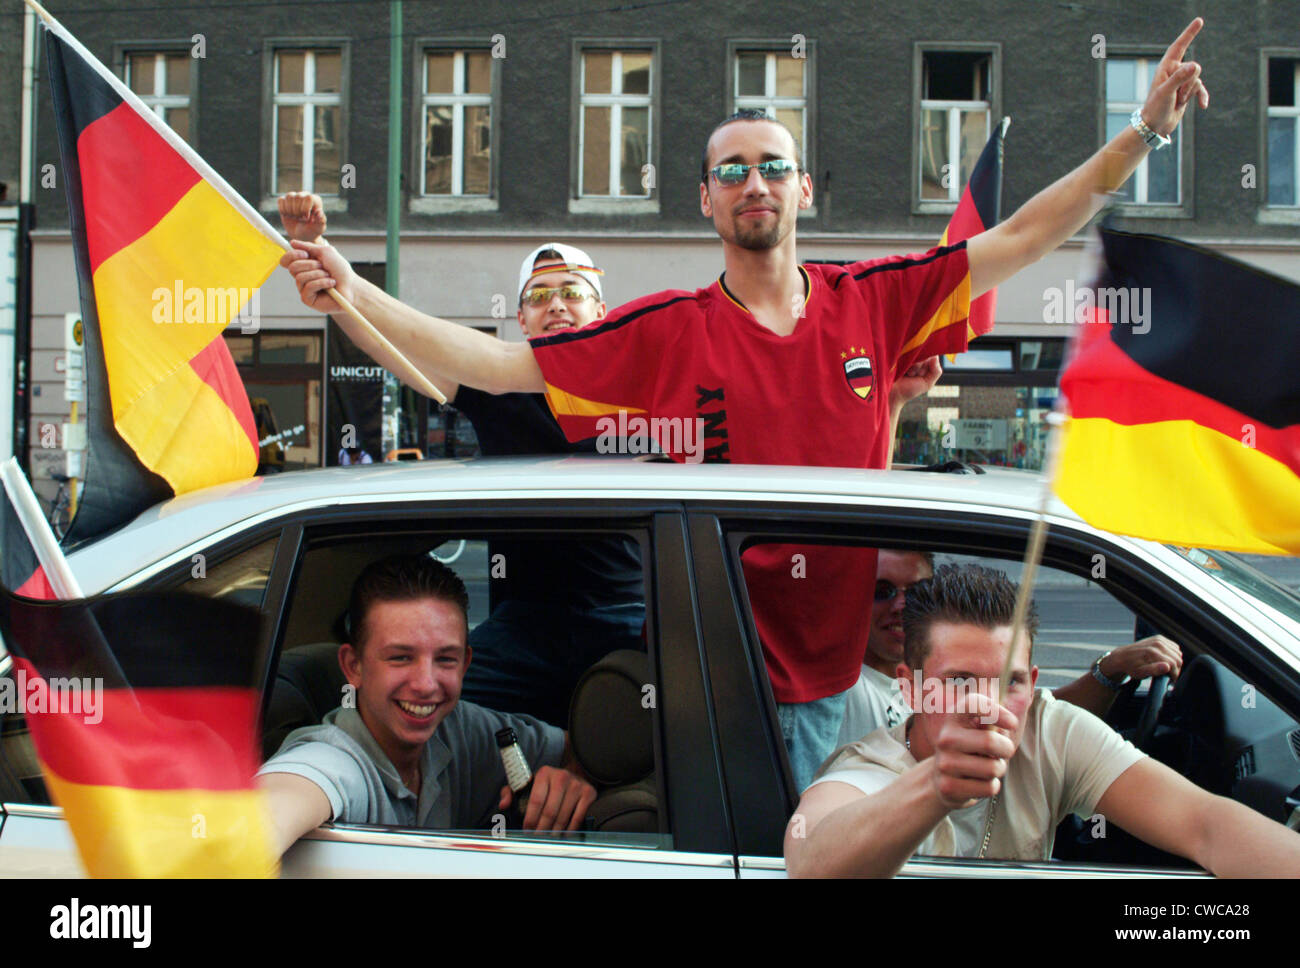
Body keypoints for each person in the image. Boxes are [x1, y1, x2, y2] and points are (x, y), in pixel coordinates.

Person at [279, 19, 1210, 788]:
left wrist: (1144, 133)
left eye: (771, 165)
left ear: (804, 187)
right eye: (731, 171)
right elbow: (489, 363)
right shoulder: (663, 331)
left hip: (843, 679)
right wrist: (351, 289)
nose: (752, 183)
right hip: (718, 686)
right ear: (705, 202)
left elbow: (1021, 235)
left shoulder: (876, 299)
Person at [785, 564, 1300, 877]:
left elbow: (1206, 825)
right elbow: (810, 864)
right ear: (909, 684)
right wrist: (932, 787)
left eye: (1009, 682)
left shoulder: (1049, 730)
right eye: (961, 680)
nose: (986, 704)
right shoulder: (872, 766)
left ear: (1032, 682)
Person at [256, 554, 597, 858]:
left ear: (465, 664)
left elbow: (587, 754)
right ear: (353, 667)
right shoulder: (333, 760)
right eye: (401, 657)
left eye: (445, 659)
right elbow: (265, 814)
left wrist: (569, 782)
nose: (426, 684)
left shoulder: (461, 730)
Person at [836, 550, 1185, 748]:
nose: (900, 605)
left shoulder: (1047, 743)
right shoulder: (839, 694)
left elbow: (1036, 716)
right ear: (910, 687)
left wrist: (1109, 669)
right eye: (881, 591)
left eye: (916, 591)